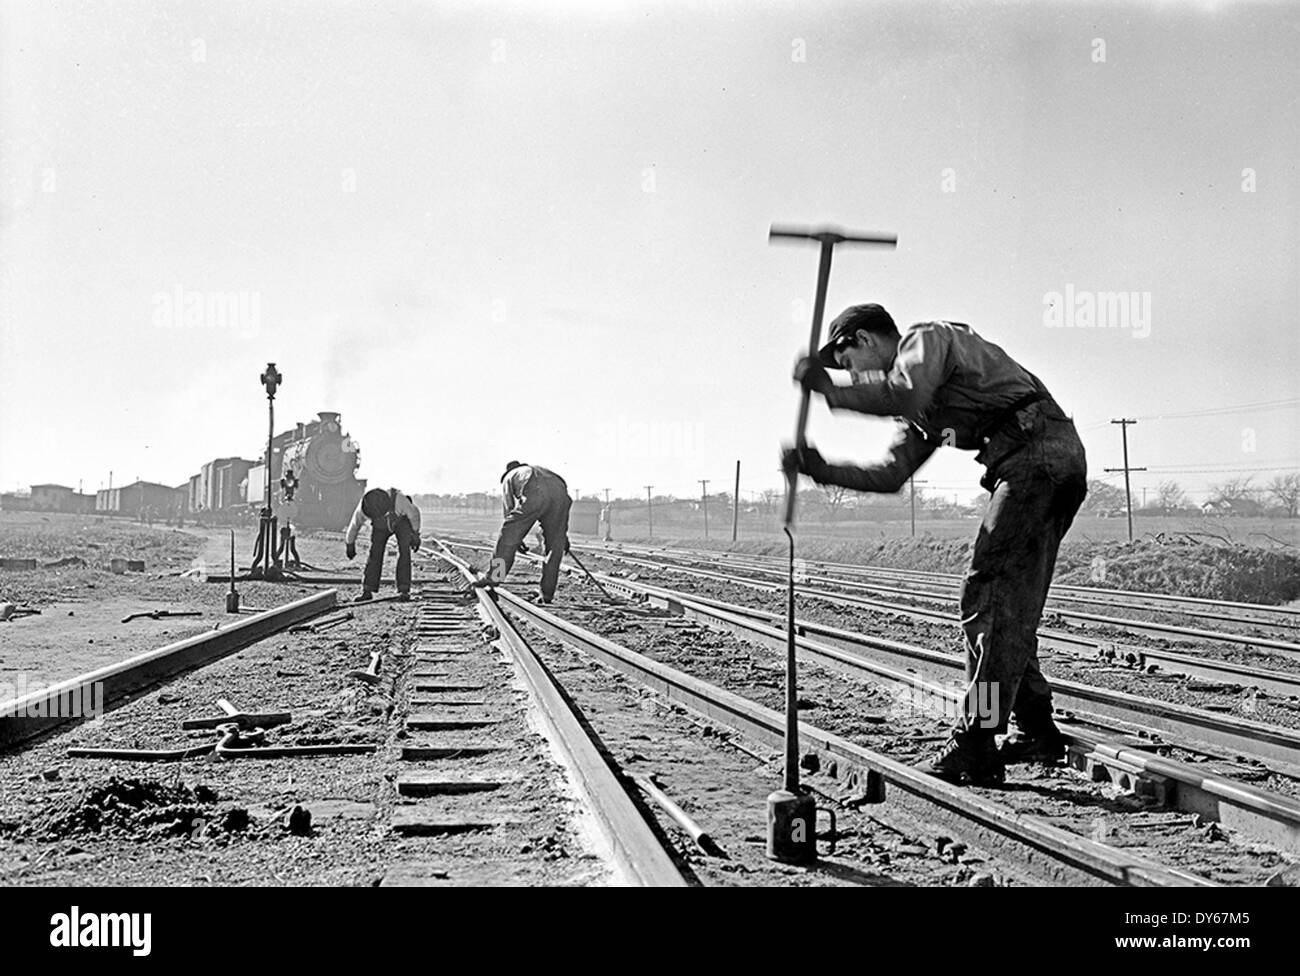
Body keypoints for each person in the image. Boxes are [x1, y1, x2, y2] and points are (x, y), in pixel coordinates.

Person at [783, 303, 1087, 786]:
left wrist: (831, 392)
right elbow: (890, 475)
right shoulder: (925, 408)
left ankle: (976, 741)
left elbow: (897, 395)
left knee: (989, 598)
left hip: (1038, 457)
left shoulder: (927, 340)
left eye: (845, 362)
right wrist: (820, 469)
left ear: (862, 340)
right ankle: (1035, 729)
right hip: (1032, 462)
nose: (850, 373)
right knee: (1007, 601)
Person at [474, 461, 572, 603]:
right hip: (560, 491)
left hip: (536, 490)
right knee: (554, 548)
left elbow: (509, 509)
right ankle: (547, 594)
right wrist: (563, 537)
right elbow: (560, 516)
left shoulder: (510, 476)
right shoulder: (536, 470)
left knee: (507, 538)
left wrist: (516, 538)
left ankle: (494, 577)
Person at [344, 487, 422, 602]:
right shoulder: (363, 508)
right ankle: (367, 590)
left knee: (404, 551)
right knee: (375, 552)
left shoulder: (400, 501)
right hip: (380, 528)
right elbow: (354, 525)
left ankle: (404, 590)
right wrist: (350, 544)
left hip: (402, 522)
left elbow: (414, 515)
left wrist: (415, 535)